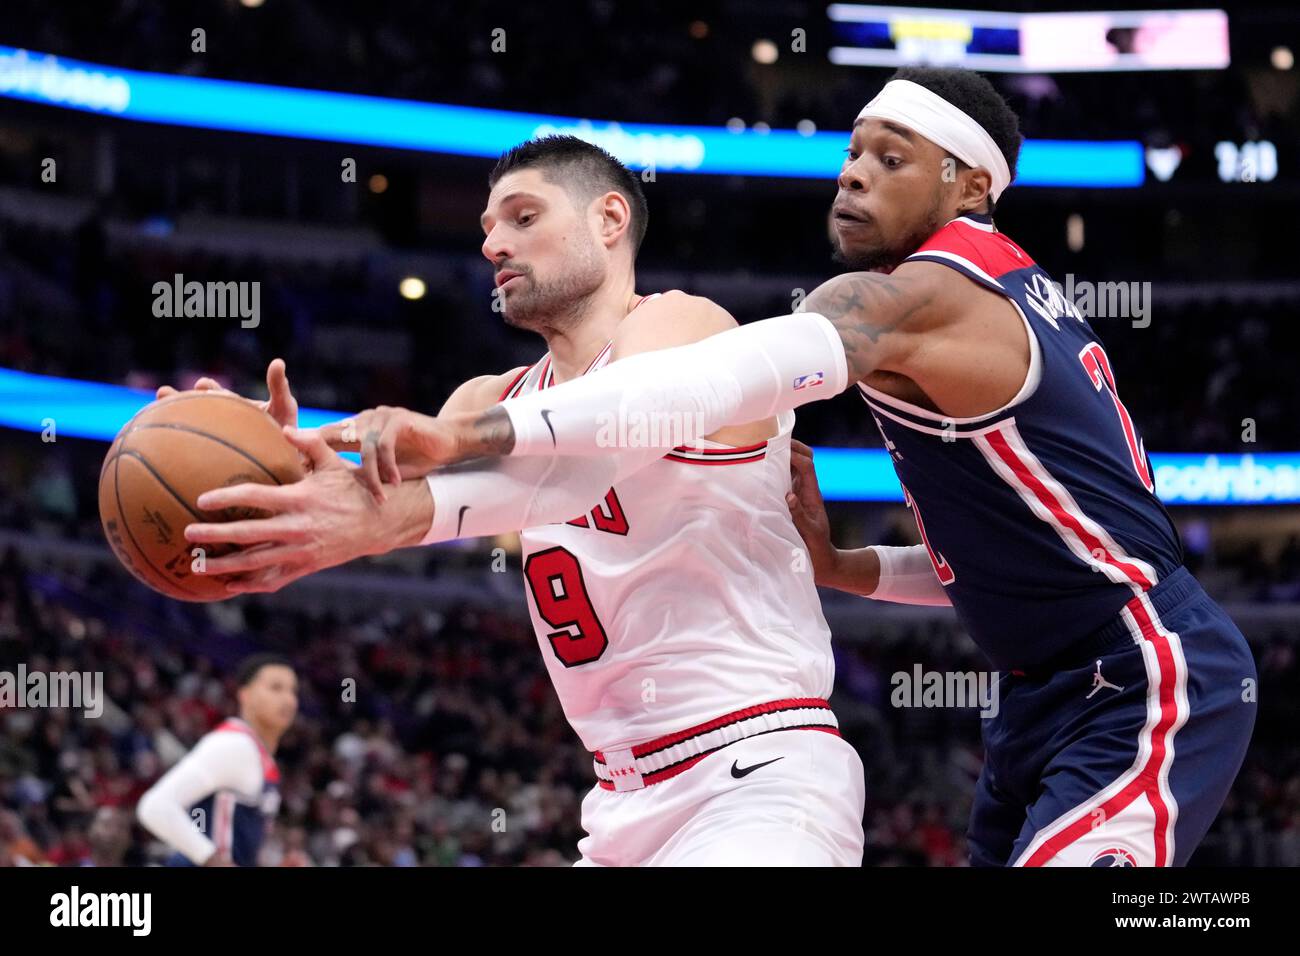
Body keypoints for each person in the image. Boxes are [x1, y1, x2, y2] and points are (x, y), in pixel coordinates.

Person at [325, 68, 1257, 867]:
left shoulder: (924, 295)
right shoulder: (977, 298)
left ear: (970, 184)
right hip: (1038, 690)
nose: (853, 174)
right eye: (852, 153)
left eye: (890, 158)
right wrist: (844, 567)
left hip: (1135, 669)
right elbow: (1018, 559)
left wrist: (473, 436)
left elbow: (708, 382)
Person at [164, 136, 865, 866]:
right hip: (619, 802)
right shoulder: (489, 398)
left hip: (755, 775)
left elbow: (606, 435)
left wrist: (437, 457)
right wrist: (268, 455)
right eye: (488, 228)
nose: (494, 243)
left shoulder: (682, 324)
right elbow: (372, 501)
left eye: (523, 217)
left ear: (610, 219)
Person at [136, 654, 296, 867]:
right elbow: (155, 807)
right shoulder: (233, 744)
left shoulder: (260, 755)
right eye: (276, 688)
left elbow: (234, 844)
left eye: (293, 691)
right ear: (245, 695)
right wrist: (212, 859)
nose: (288, 699)